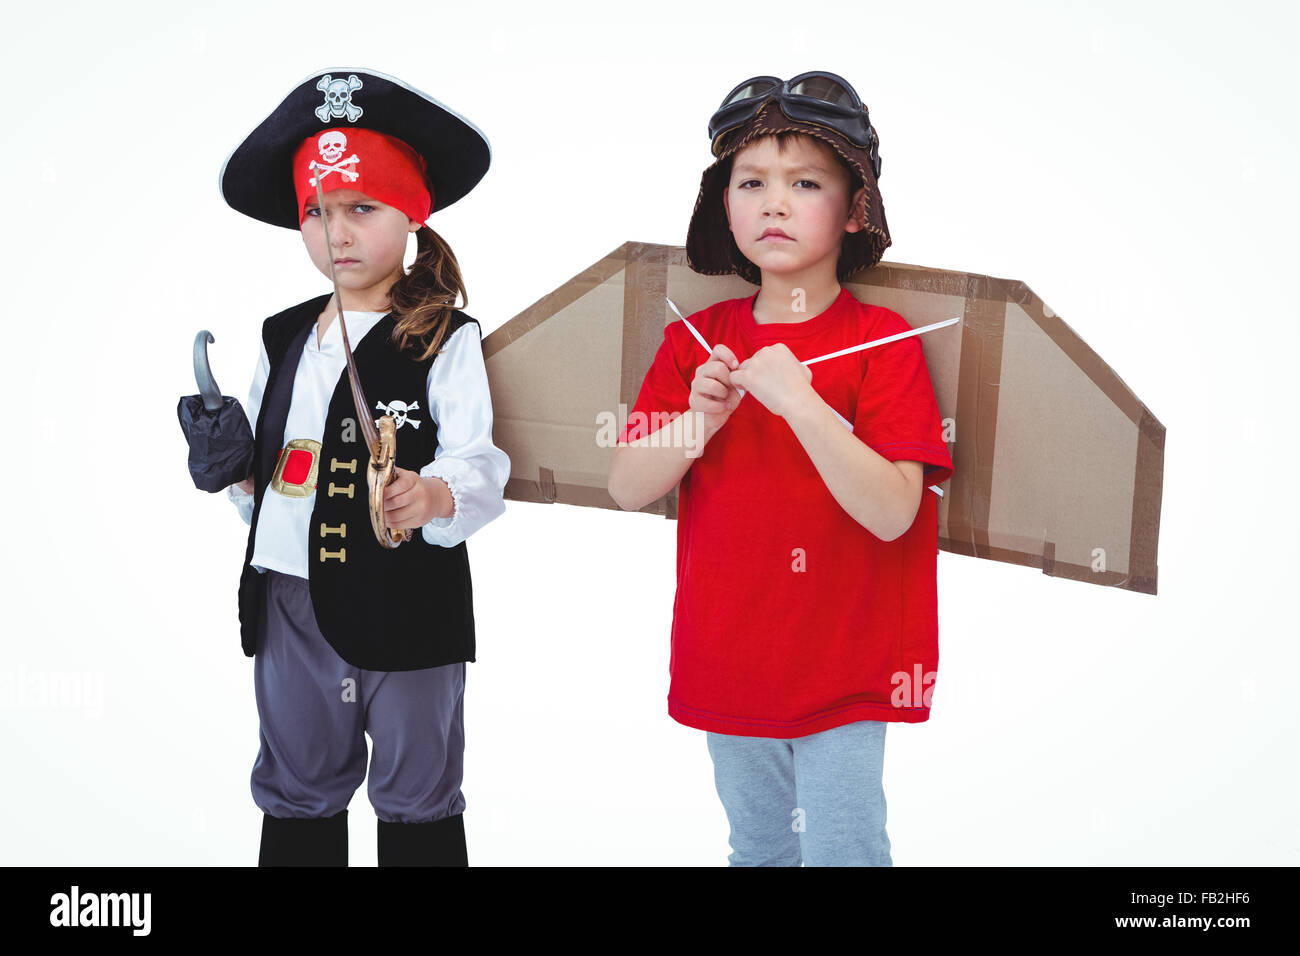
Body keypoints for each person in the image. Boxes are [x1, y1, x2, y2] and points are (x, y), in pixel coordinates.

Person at [608, 72, 954, 866]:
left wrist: (803, 405)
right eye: (751, 182)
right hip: (726, 655)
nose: (774, 203)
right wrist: (701, 417)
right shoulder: (694, 341)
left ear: (854, 208)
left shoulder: (886, 339)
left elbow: (896, 511)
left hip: (845, 663)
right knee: (760, 850)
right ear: (722, 205)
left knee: (843, 851)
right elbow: (628, 486)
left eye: (805, 183)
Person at [218, 68, 508, 866]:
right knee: (299, 786)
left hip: (407, 601)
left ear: (411, 215)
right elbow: (268, 480)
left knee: (417, 797)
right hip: (288, 595)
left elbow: (482, 463)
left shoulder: (445, 336)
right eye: (316, 212)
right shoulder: (282, 336)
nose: (335, 232)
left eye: (360, 209)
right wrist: (231, 467)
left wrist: (435, 495)